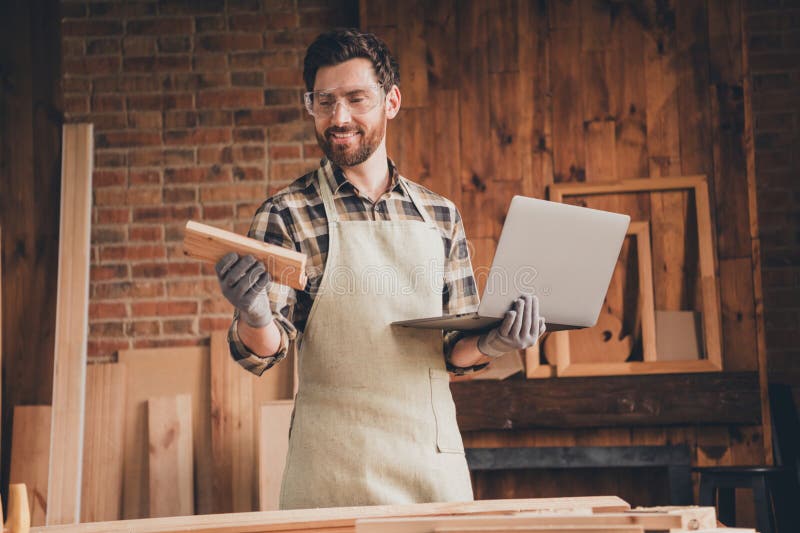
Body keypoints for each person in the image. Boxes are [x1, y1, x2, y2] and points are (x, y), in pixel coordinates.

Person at [215, 28, 546, 510]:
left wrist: (497, 341)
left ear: (391, 101)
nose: (339, 117)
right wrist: (255, 315)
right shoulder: (286, 213)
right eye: (324, 101)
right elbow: (267, 352)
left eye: (355, 99)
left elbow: (454, 351)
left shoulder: (440, 215)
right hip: (332, 470)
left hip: (429, 465)